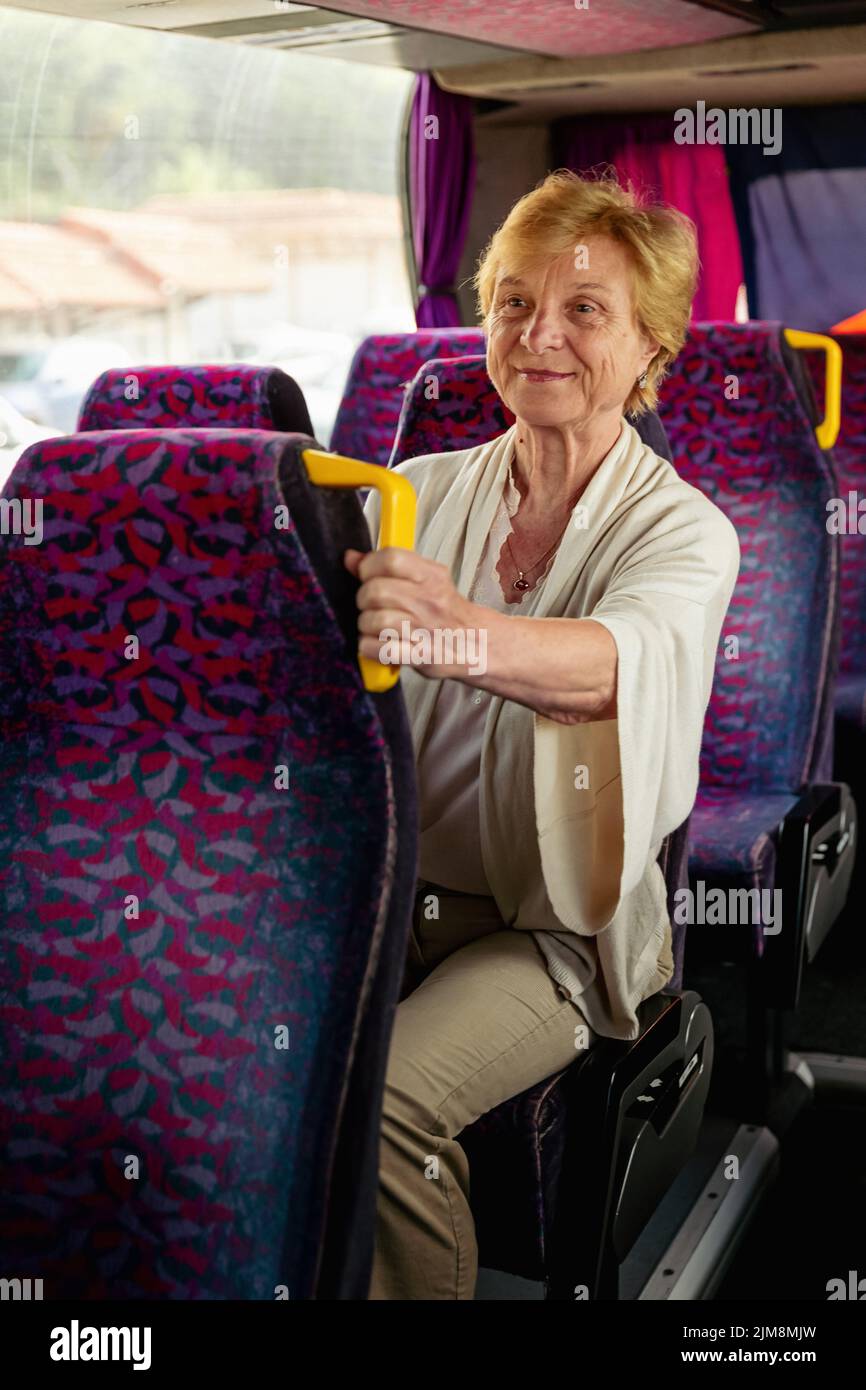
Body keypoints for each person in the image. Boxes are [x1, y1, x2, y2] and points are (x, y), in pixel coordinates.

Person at [343, 170, 740, 1300]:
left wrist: (451, 633)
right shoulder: (412, 488)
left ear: (651, 345)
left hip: (553, 926)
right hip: (387, 892)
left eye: (582, 309)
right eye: (512, 303)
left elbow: (605, 670)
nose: (539, 335)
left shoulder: (684, 531)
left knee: (379, 1103)